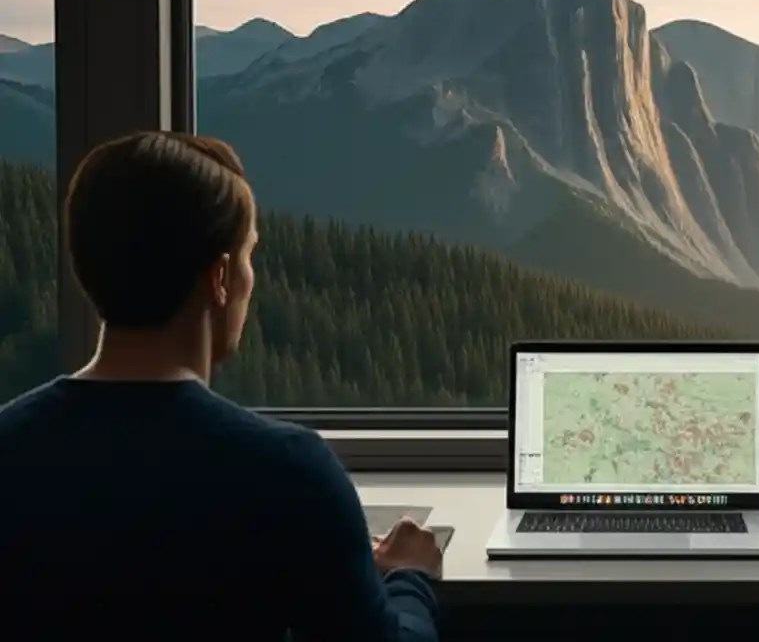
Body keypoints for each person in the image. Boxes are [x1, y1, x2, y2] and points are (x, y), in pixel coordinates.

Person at [0, 131, 442, 641]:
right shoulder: (285, 473)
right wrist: (412, 577)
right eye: (250, 254)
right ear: (222, 278)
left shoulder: (10, 449)